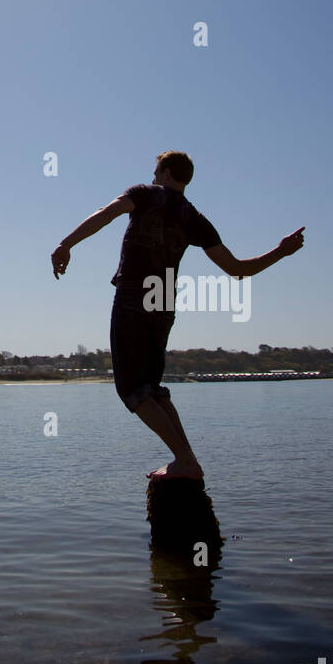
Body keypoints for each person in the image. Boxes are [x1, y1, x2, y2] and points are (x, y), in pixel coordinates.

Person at [50, 151, 304, 480]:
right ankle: (187, 461)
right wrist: (280, 252)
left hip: (134, 295)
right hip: (163, 300)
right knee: (152, 387)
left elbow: (105, 214)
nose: (154, 177)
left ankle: (184, 458)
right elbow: (238, 270)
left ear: (167, 173)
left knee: (132, 388)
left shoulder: (145, 194)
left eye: (156, 172)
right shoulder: (194, 217)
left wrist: (65, 244)